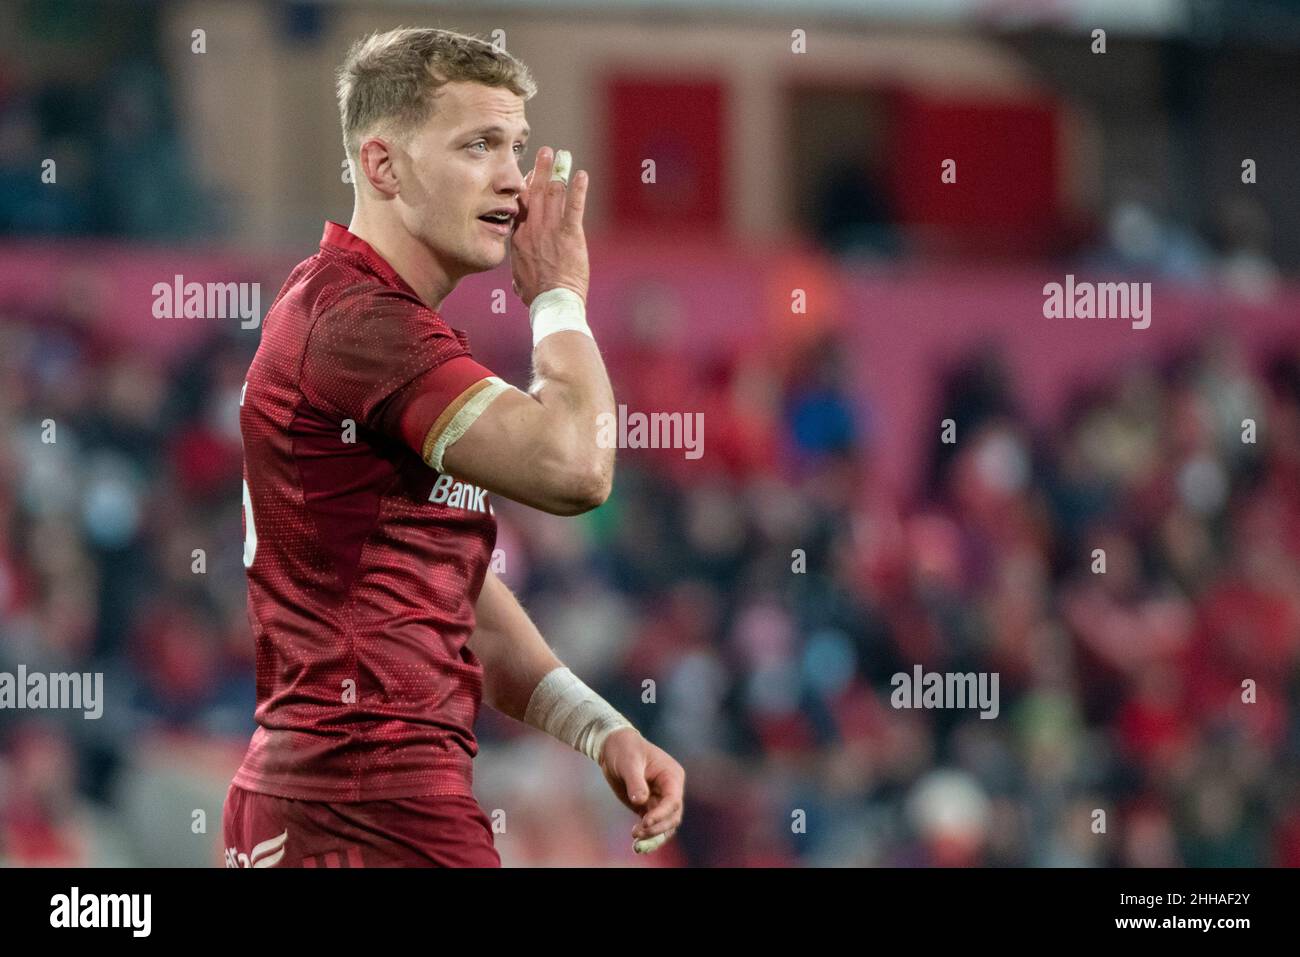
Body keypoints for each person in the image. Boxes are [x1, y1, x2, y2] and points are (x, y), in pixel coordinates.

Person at [221, 26, 684, 867]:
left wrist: (598, 727)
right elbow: (578, 470)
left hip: (333, 797)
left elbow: (452, 598)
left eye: (515, 145)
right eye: (478, 145)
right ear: (383, 165)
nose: (512, 176)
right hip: (369, 799)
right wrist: (560, 298)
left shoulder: (359, 313)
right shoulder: (362, 325)